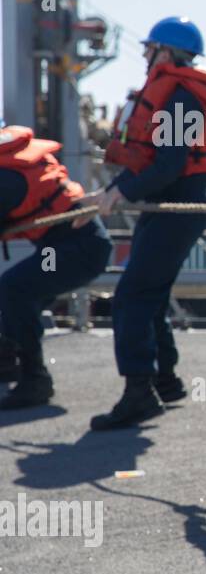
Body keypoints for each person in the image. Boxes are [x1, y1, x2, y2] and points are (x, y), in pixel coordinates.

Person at [88, 16, 206, 430]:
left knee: (132, 296)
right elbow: (152, 162)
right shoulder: (173, 94)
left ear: (166, 53)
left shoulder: (180, 97)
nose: (145, 57)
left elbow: (168, 165)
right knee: (150, 292)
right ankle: (164, 379)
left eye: (150, 50)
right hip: (163, 206)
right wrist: (112, 189)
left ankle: (139, 393)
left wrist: (120, 193)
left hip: (176, 208)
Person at [0, 123, 111, 408]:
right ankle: (8, 364)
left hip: (76, 249)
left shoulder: (6, 179)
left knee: (15, 290)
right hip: (62, 246)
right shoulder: (11, 165)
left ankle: (35, 379)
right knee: (17, 295)